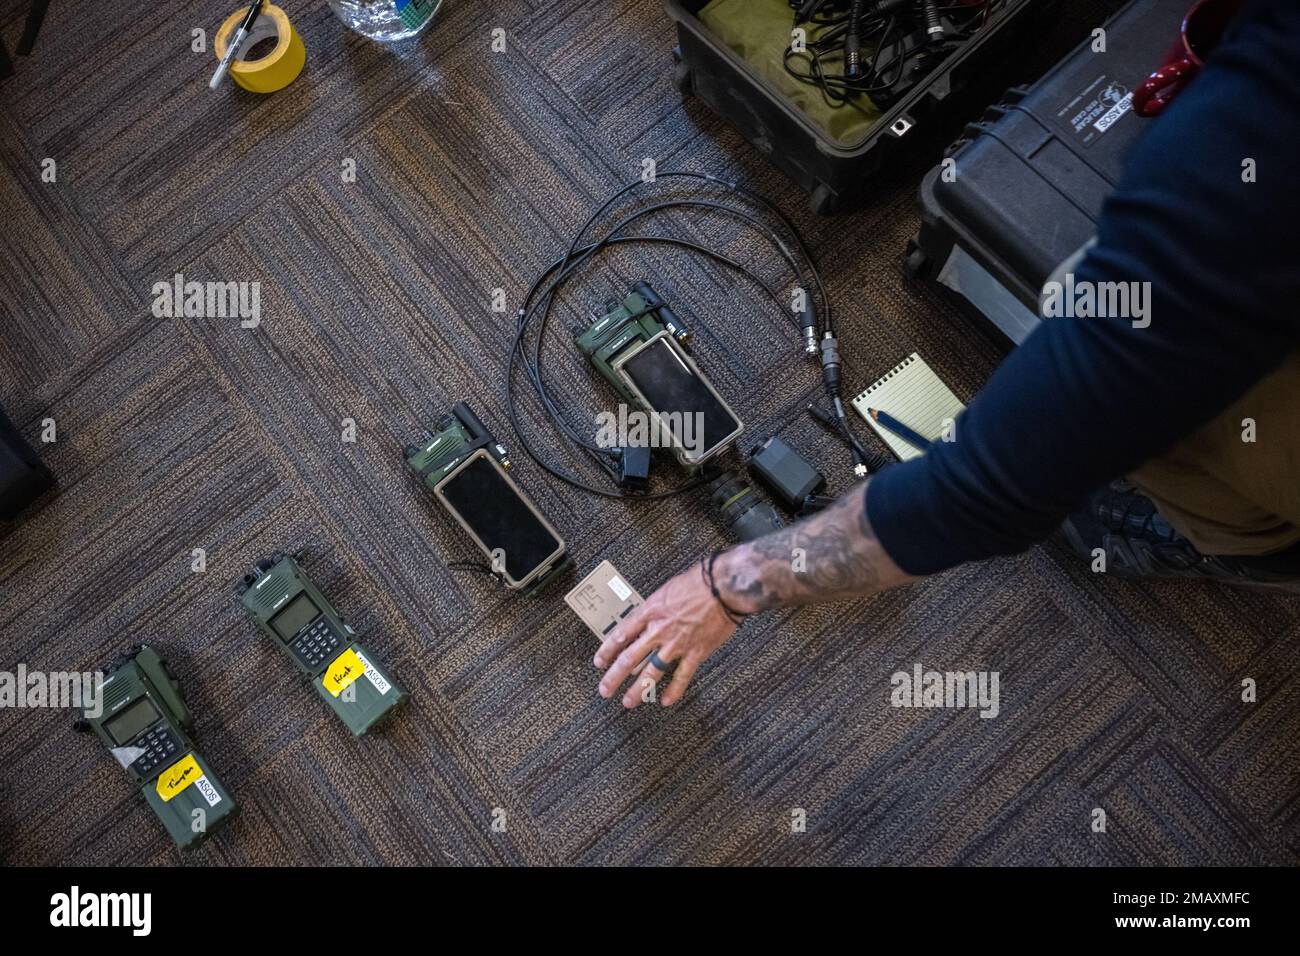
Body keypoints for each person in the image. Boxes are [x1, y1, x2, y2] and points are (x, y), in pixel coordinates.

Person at [594, 0, 1299, 709]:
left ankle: (1240, 545)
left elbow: (984, 490)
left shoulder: (1244, 144)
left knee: (1152, 423)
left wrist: (725, 586)